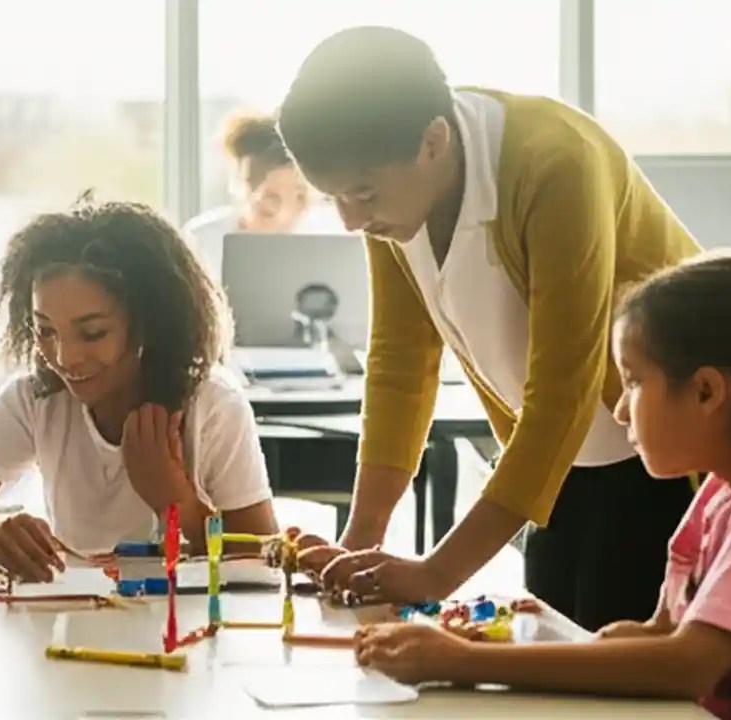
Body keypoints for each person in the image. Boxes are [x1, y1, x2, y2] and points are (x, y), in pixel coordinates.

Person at [278, 26, 701, 631]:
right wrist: (359, 540)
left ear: (433, 141)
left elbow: (563, 390)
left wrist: (435, 573)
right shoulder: (390, 202)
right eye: (333, 199)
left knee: (618, 668)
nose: (350, 220)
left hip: (661, 450)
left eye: (363, 194)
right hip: (554, 464)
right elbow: (400, 364)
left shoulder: (555, 162)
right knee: (553, 651)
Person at [355, 252, 731, 720]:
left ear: (706, 392)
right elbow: (668, 634)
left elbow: (688, 664)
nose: (621, 411)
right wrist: (595, 641)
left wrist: (460, 660)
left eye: (632, 383)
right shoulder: (721, 493)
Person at [0, 196, 279, 581]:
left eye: (92, 333)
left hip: (181, 635)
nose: (64, 357)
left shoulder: (213, 406)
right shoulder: (35, 399)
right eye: (45, 331)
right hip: (70, 631)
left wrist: (177, 502)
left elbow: (263, 561)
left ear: (150, 323)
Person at [183, 110, 312, 279]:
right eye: (250, 181)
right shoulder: (201, 238)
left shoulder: (330, 241)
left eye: (274, 196)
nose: (258, 198)